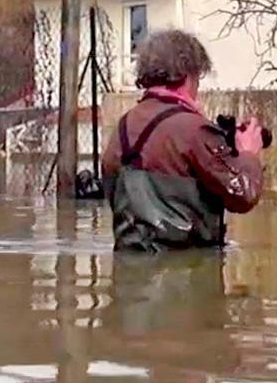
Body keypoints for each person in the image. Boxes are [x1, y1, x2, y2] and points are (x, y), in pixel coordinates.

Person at [102, 29, 267, 252]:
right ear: (187, 74)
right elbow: (243, 194)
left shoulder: (122, 127)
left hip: (129, 268)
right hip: (184, 272)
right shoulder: (193, 129)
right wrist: (248, 154)